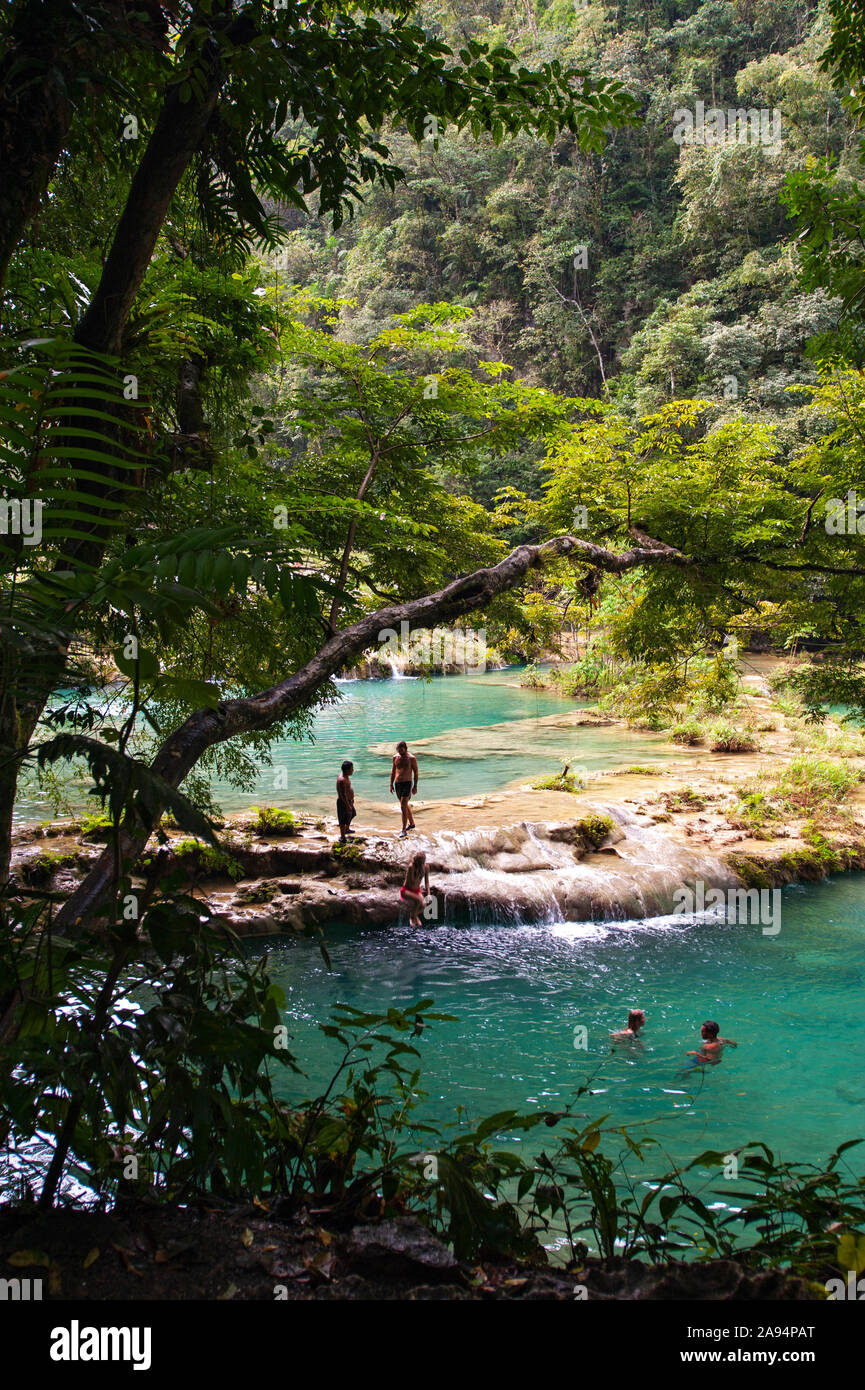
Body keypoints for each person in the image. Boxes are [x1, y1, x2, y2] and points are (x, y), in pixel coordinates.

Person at [390, 740, 418, 838]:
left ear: (406, 749)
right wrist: (391, 784)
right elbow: (393, 772)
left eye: (402, 750)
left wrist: (415, 786)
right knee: (404, 805)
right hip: (398, 784)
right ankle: (412, 824)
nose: (400, 752)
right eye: (398, 750)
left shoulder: (411, 758)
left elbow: (416, 772)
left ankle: (403, 829)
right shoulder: (395, 757)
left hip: (407, 783)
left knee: (402, 806)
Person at [400, 850, 430, 926]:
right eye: (421, 862)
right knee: (419, 900)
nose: (423, 863)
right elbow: (412, 881)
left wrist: (428, 894)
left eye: (424, 861)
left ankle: (414, 915)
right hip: (406, 890)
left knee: (424, 905)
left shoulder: (426, 867)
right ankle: (412, 917)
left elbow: (427, 882)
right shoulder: (411, 867)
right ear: (417, 861)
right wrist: (418, 871)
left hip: (416, 890)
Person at [336, 760, 356, 843]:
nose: (353, 770)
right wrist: (347, 805)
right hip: (343, 802)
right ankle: (342, 837)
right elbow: (342, 794)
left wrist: (351, 799)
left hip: (349, 801)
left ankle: (347, 829)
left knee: (352, 814)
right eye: (352, 769)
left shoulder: (346, 776)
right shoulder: (342, 780)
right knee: (342, 820)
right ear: (347, 770)